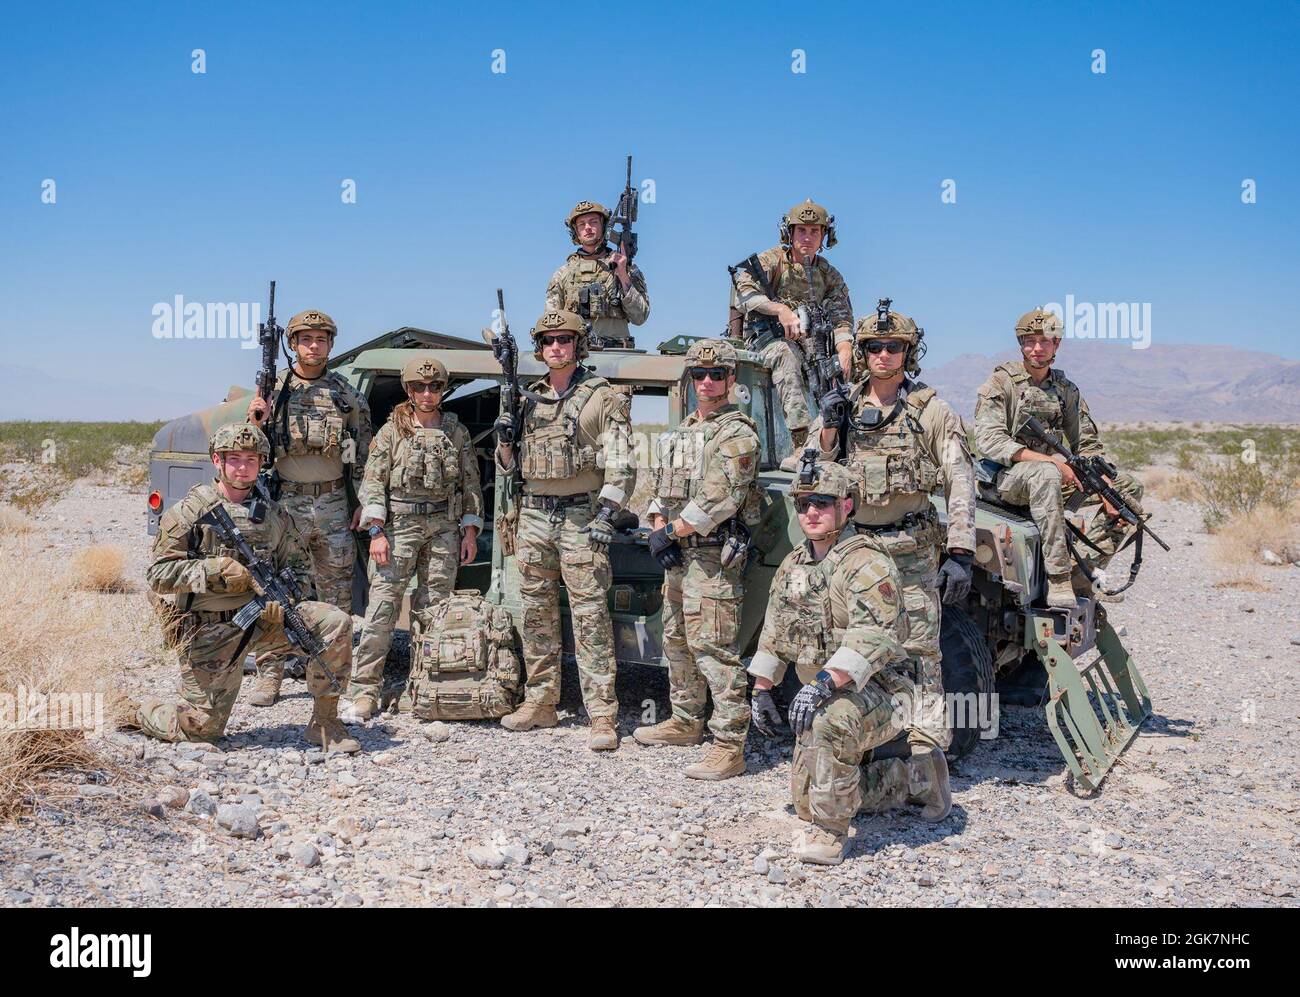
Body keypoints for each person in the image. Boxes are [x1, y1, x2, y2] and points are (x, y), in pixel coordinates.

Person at [748, 460, 949, 867]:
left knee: (829, 726)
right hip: (825, 692)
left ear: (847, 506)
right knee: (804, 800)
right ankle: (918, 778)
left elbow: (870, 637)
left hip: (886, 691)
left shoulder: (866, 562)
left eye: (822, 502)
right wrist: (762, 690)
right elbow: (773, 631)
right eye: (803, 504)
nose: (811, 513)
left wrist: (823, 684)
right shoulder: (793, 566)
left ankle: (830, 833)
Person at [810, 304, 976, 760]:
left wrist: (960, 552)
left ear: (908, 352)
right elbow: (811, 472)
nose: (883, 355)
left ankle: (925, 761)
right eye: (873, 347)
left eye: (893, 347)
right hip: (855, 553)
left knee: (920, 653)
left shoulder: (931, 411)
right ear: (861, 353)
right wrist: (828, 427)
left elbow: (960, 478)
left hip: (911, 551)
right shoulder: (842, 407)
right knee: (851, 646)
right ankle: (862, 747)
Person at [131, 424, 358, 753]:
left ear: (261, 463)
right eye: (233, 459)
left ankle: (325, 722)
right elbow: (159, 574)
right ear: (217, 461)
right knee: (201, 730)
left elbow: (299, 569)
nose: (242, 467)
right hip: (211, 629)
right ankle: (139, 711)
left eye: (251, 459)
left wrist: (284, 597)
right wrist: (214, 571)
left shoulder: (274, 516)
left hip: (264, 619)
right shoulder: (190, 512)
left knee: (334, 622)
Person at [493, 309, 636, 750]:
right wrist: (503, 440)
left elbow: (622, 462)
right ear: (540, 347)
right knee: (536, 613)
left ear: (578, 345)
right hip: (534, 515)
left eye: (564, 339)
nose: (556, 347)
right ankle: (541, 702)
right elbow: (507, 467)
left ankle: (602, 716)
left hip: (580, 517)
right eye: (549, 340)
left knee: (590, 615)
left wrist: (607, 514)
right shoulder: (525, 398)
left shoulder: (600, 397)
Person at [631, 339, 761, 780]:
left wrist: (668, 532)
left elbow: (721, 499)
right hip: (679, 555)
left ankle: (729, 745)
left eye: (717, 374)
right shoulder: (681, 431)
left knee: (713, 647)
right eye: (699, 375)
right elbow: (657, 487)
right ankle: (686, 721)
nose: (707, 382)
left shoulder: (737, 433)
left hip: (711, 556)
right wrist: (655, 523)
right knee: (677, 639)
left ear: (730, 380)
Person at [973, 309, 1146, 608]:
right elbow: (990, 440)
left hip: (1050, 481)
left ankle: (1083, 575)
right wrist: (1049, 461)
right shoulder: (1001, 384)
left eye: (1045, 341)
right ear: (1020, 344)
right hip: (1005, 481)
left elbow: (1088, 444)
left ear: (1057, 344)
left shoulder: (1066, 391)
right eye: (1029, 341)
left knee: (1126, 490)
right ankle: (1059, 579)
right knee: (1047, 474)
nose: (1037, 348)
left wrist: (1103, 486)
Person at [343, 357, 484, 721]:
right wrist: (375, 531)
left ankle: (424, 687)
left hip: (443, 529)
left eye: (434, 386)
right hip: (399, 527)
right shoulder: (392, 431)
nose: (426, 393)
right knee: (382, 609)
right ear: (408, 389)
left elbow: (470, 484)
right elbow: (373, 481)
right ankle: (364, 690)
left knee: (434, 613)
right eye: (419, 387)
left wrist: (469, 530)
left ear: (443, 389)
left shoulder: (456, 431)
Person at [246, 308, 371, 706]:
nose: (313, 345)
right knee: (277, 591)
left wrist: (360, 504)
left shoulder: (345, 394)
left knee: (337, 595)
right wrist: (255, 419)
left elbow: (362, 455)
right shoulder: (275, 391)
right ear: (293, 344)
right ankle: (271, 675)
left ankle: (333, 674)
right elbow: (249, 451)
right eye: (305, 339)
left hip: (334, 502)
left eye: (321, 339)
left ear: (331, 344)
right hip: (288, 504)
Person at [729, 199, 854, 448]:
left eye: (814, 231)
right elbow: (742, 294)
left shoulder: (829, 275)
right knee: (785, 355)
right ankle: (801, 443)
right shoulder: (772, 261)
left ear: (824, 236)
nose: (807, 237)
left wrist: (845, 347)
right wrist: (780, 310)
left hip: (810, 346)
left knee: (855, 363)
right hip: (766, 342)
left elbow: (842, 317)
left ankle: (847, 440)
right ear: (790, 233)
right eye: (801, 230)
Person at [546, 200, 649, 348]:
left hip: (618, 355)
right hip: (577, 355)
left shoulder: (625, 267)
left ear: (604, 226)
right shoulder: (563, 274)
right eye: (582, 224)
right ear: (576, 232)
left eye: (593, 222)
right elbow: (552, 325)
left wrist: (622, 275)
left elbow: (640, 317)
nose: (588, 228)